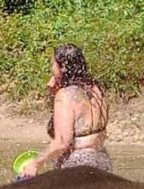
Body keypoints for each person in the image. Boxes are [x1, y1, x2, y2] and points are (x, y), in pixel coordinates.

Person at [21, 44, 110, 177]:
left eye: (53, 65)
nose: (51, 69)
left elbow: (62, 143)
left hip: (77, 163)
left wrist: (35, 163)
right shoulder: (97, 90)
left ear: (62, 67)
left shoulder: (65, 96)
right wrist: (54, 94)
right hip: (102, 160)